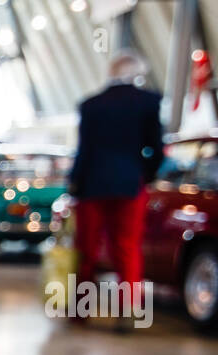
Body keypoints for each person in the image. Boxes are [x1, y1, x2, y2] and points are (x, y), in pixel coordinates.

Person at [68, 50, 162, 328]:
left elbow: (83, 151)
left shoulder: (91, 105)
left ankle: (80, 309)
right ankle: (128, 311)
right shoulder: (147, 102)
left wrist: (74, 183)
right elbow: (156, 148)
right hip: (129, 185)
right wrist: (145, 173)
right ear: (137, 74)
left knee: (87, 249)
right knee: (127, 247)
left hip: (91, 185)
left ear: (111, 72)